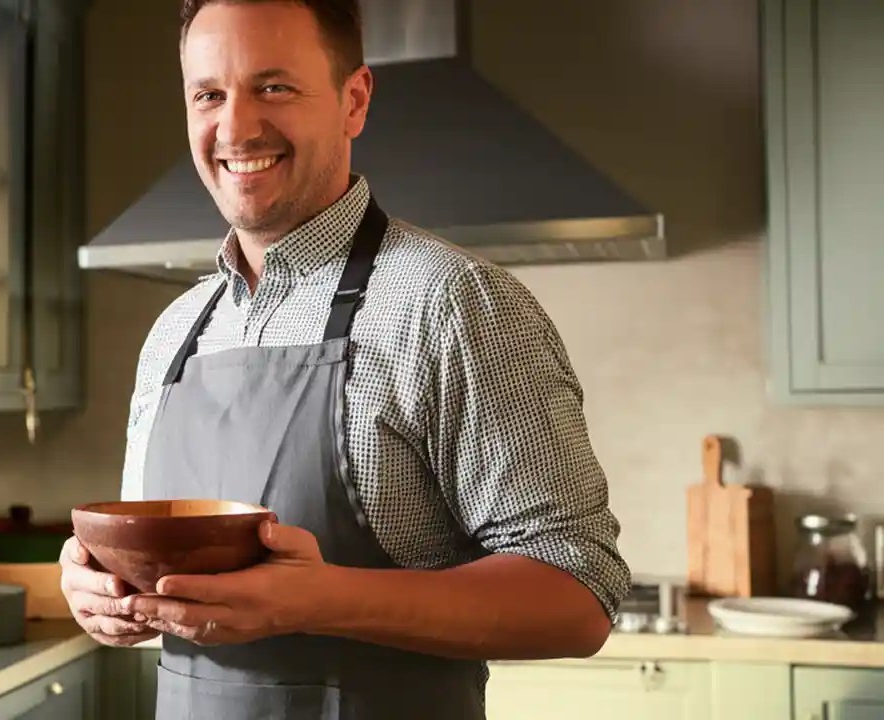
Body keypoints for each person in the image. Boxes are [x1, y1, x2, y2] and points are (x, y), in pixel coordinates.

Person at [60, 0, 631, 716]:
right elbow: (160, 570)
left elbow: (581, 594)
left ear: (353, 100)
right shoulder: (174, 333)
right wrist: (98, 588)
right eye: (209, 94)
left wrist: (321, 599)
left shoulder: (451, 302)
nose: (235, 127)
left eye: (274, 87)